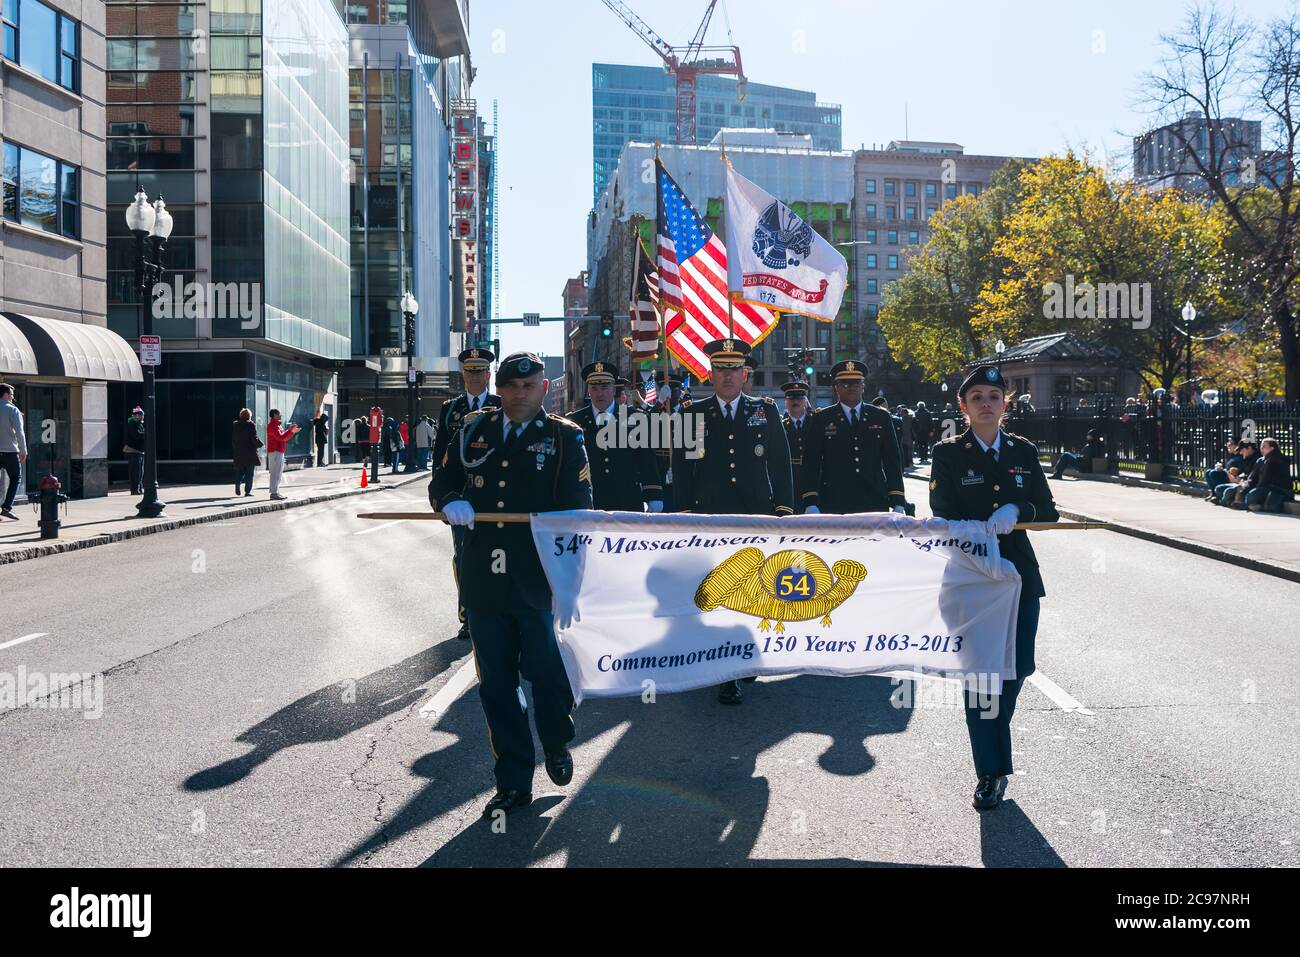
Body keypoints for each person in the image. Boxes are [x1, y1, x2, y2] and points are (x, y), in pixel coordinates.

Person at [431, 352, 592, 819]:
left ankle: (557, 740)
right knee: (497, 687)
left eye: (528, 387)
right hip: (484, 581)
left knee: (545, 674)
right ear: (499, 389)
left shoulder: (564, 437)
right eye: (510, 387)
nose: (518, 394)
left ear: (543, 388)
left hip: (537, 581)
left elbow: (578, 509)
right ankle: (513, 780)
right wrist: (452, 501)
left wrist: (570, 580)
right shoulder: (473, 431)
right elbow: (442, 480)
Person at [929, 365, 1059, 811]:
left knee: (1018, 669)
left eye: (995, 396)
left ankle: (992, 748)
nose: (987, 403)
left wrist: (1017, 507)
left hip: (1019, 576)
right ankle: (991, 771)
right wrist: (979, 538)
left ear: (1006, 405)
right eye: (978, 397)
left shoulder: (1022, 450)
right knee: (983, 675)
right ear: (962, 407)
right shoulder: (947, 454)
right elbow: (941, 515)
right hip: (972, 579)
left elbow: (1049, 511)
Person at [672, 338, 793, 705]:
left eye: (733, 370)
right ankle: (726, 671)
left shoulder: (765, 410)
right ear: (711, 373)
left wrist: (784, 510)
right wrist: (681, 515)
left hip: (754, 515)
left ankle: (745, 657)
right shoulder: (692, 412)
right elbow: (683, 467)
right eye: (720, 369)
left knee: (753, 589)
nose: (727, 376)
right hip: (710, 515)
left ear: (744, 374)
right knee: (718, 591)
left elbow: (780, 463)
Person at [431, 347, 502, 642]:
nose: (475, 376)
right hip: (463, 498)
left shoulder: (502, 403)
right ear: (463, 374)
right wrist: (443, 497)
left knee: (497, 556)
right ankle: (468, 615)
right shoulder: (450, 408)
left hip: (498, 495)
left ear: (489, 374)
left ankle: (497, 611)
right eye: (469, 371)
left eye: (480, 371)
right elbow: (440, 457)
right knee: (465, 557)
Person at [800, 361, 908, 516]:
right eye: (844, 384)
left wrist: (898, 501)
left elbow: (892, 461)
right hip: (834, 500)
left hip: (874, 499)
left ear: (863, 386)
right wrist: (810, 501)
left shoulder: (880, 416)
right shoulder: (822, 418)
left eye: (856, 383)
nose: (851, 387)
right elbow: (811, 461)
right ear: (836, 387)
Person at [566, 361, 662, 512]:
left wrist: (653, 494)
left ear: (613, 388)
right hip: (588, 501)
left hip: (627, 500)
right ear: (588, 390)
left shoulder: (635, 419)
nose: (600, 393)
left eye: (604, 387)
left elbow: (647, 460)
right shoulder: (574, 421)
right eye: (594, 388)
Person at [1235, 438, 1294, 512]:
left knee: (1252, 495)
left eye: (1264, 446)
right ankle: (1245, 504)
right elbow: (1252, 477)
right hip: (1264, 487)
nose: (1261, 448)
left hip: (1278, 489)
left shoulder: (1276, 459)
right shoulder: (1260, 460)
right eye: (1261, 446)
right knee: (1243, 490)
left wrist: (1252, 488)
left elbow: (1265, 480)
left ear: (1272, 448)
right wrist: (1246, 485)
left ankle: (1256, 506)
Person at [781, 381, 812, 514]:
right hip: (790, 479)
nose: (795, 402)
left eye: (799, 398)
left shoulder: (816, 422)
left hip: (812, 478)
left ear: (805, 402)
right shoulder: (781, 426)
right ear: (786, 402)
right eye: (791, 398)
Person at [0, 382, 27, 520]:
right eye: (11, 394)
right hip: (10, 451)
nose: (12, 397)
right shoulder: (12, 410)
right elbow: (19, 432)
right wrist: (23, 450)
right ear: (5, 394)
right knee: (16, 478)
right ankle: (6, 508)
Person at [1211, 439, 1260, 506]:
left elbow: (1253, 476)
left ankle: (1224, 502)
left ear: (1249, 448)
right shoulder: (1247, 457)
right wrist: (1239, 475)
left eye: (1242, 450)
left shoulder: (1257, 459)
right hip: (1241, 482)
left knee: (1228, 491)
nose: (1240, 453)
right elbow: (1244, 472)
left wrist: (1243, 479)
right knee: (1218, 488)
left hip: (1248, 485)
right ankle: (1229, 501)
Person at [265, 409, 301, 500]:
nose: (281, 415)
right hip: (275, 451)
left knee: (278, 473)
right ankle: (274, 493)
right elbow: (281, 438)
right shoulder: (273, 426)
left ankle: (275, 492)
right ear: (274, 415)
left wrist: (291, 431)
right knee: (275, 473)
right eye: (279, 414)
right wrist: (291, 431)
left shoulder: (277, 425)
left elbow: (283, 437)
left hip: (278, 451)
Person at [232, 408, 261, 496]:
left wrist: (236, 448)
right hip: (250, 452)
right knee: (249, 473)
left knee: (240, 470)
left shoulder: (235, 425)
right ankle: (247, 491)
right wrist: (259, 444)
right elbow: (254, 438)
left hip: (239, 452)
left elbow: (234, 439)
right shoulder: (251, 425)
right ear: (249, 416)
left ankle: (237, 484)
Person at [124, 405, 146, 495]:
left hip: (139, 451)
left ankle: (139, 488)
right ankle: (134, 489)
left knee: (140, 472)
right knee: (135, 472)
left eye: (142, 414)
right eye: (140, 414)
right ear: (135, 415)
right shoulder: (132, 424)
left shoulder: (139, 424)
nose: (142, 416)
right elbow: (136, 436)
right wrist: (145, 435)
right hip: (133, 450)